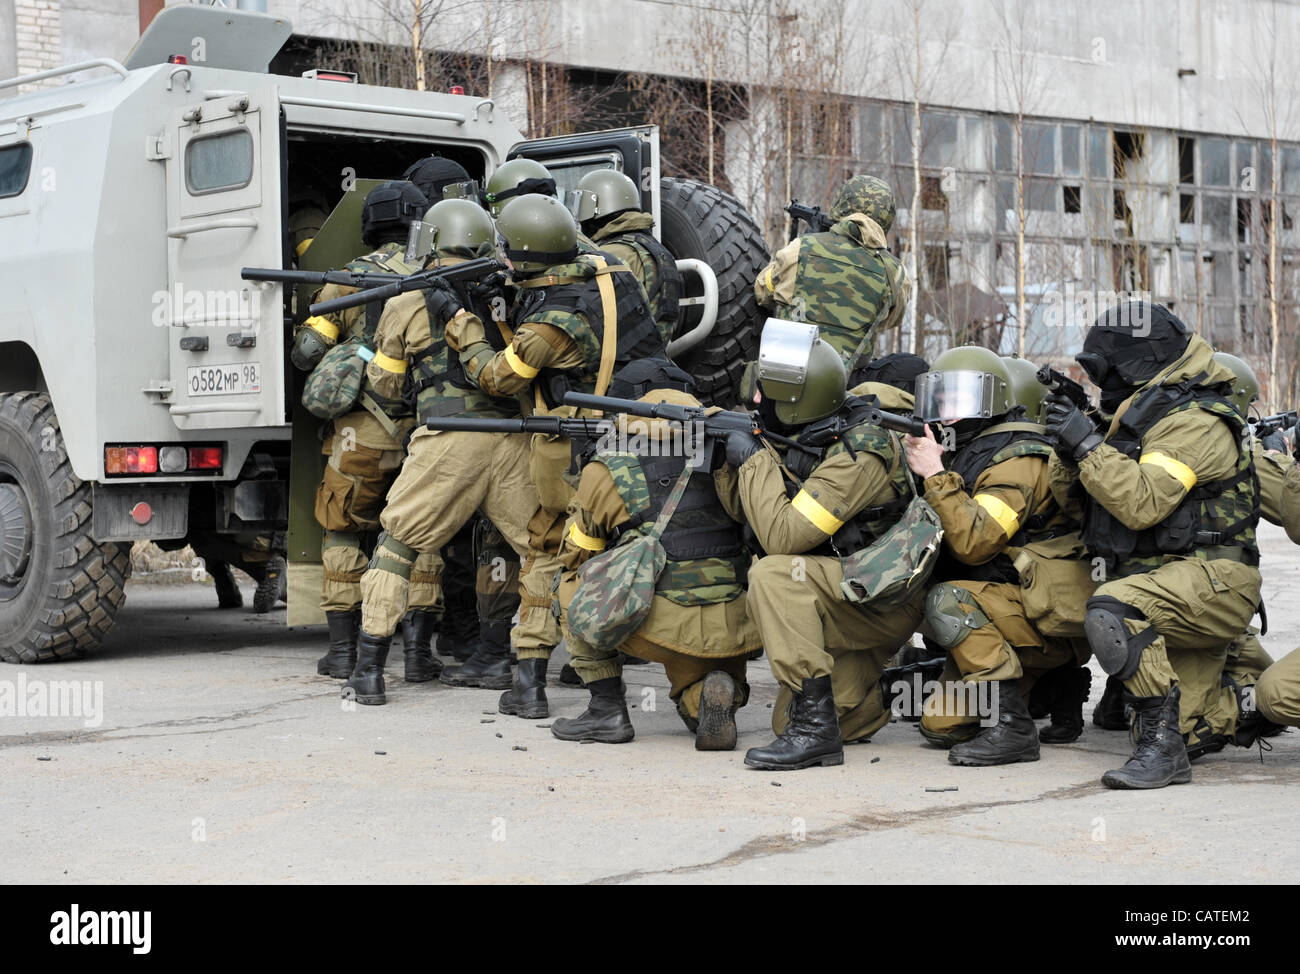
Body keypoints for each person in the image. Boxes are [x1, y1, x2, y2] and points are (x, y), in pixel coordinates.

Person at [445, 193, 666, 718]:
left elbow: (498, 377)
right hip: (635, 440)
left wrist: (466, 329)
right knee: (614, 551)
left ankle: (536, 684)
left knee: (550, 551)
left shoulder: (552, 323)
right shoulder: (615, 275)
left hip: (571, 446)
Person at [1045, 303, 1262, 789]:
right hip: (1166, 581)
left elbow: (1143, 503)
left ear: (1138, 363)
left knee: (1113, 609)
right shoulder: (1136, 415)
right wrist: (1068, 452)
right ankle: (1237, 684)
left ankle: (1166, 751)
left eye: (1109, 369)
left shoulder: (1195, 420)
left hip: (1213, 580)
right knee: (1193, 724)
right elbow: (1081, 507)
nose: (1104, 383)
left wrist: (1087, 446)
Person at [345, 198, 533, 705]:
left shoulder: (407, 300)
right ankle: (537, 682)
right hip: (515, 437)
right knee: (543, 553)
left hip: (447, 438)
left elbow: (385, 384)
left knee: (398, 545)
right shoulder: (509, 292)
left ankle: (368, 671)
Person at [730, 319, 923, 771]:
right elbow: (750, 517)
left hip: (881, 599)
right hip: (847, 589)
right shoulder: (815, 430)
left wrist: (754, 461)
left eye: (768, 395)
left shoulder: (860, 453)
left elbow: (781, 537)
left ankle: (817, 734)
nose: (758, 401)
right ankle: (888, 688)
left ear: (799, 404)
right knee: (783, 722)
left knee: (774, 575)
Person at [550, 361, 759, 748]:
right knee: (699, 652)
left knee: (569, 585)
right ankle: (716, 691)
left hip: (654, 621)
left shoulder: (607, 463)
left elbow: (578, 552)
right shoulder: (736, 450)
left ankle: (606, 710)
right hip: (741, 623)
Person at [906, 347, 1088, 765]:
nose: (946, 414)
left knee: (946, 599)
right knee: (941, 725)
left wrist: (935, 474)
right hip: (1009, 604)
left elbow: (975, 543)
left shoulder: (1018, 458)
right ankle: (1052, 686)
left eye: (960, 400)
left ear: (990, 401)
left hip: (1044, 612)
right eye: (940, 400)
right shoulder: (968, 450)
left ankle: (1014, 729)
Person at [305, 181, 444, 681]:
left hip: (361, 433)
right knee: (420, 534)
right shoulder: (441, 276)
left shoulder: (345, 280)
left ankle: (344, 653)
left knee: (342, 528)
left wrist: (350, 349)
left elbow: (306, 353)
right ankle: (417, 655)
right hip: (429, 431)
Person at [754, 175, 907, 376]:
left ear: (843, 204)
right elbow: (888, 321)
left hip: (785, 376)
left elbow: (762, 291)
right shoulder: (895, 272)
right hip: (844, 387)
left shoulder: (801, 249)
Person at [574, 169, 682, 345]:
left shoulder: (612, 254)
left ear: (594, 206)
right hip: (651, 354)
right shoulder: (651, 247)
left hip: (618, 361)